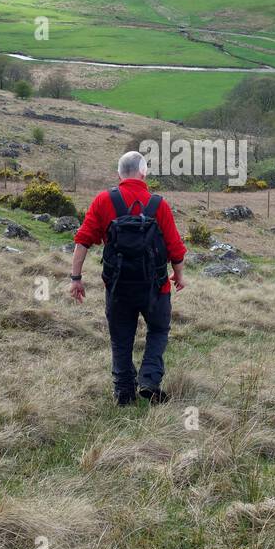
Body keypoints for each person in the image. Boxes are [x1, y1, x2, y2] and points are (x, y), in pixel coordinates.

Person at [69, 151, 186, 405]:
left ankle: (124, 394)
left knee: (121, 338)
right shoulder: (159, 204)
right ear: (143, 172)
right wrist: (178, 274)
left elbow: (82, 240)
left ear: (119, 174)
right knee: (158, 330)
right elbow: (175, 246)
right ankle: (149, 379)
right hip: (155, 288)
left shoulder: (103, 200)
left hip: (118, 288)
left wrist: (76, 277)